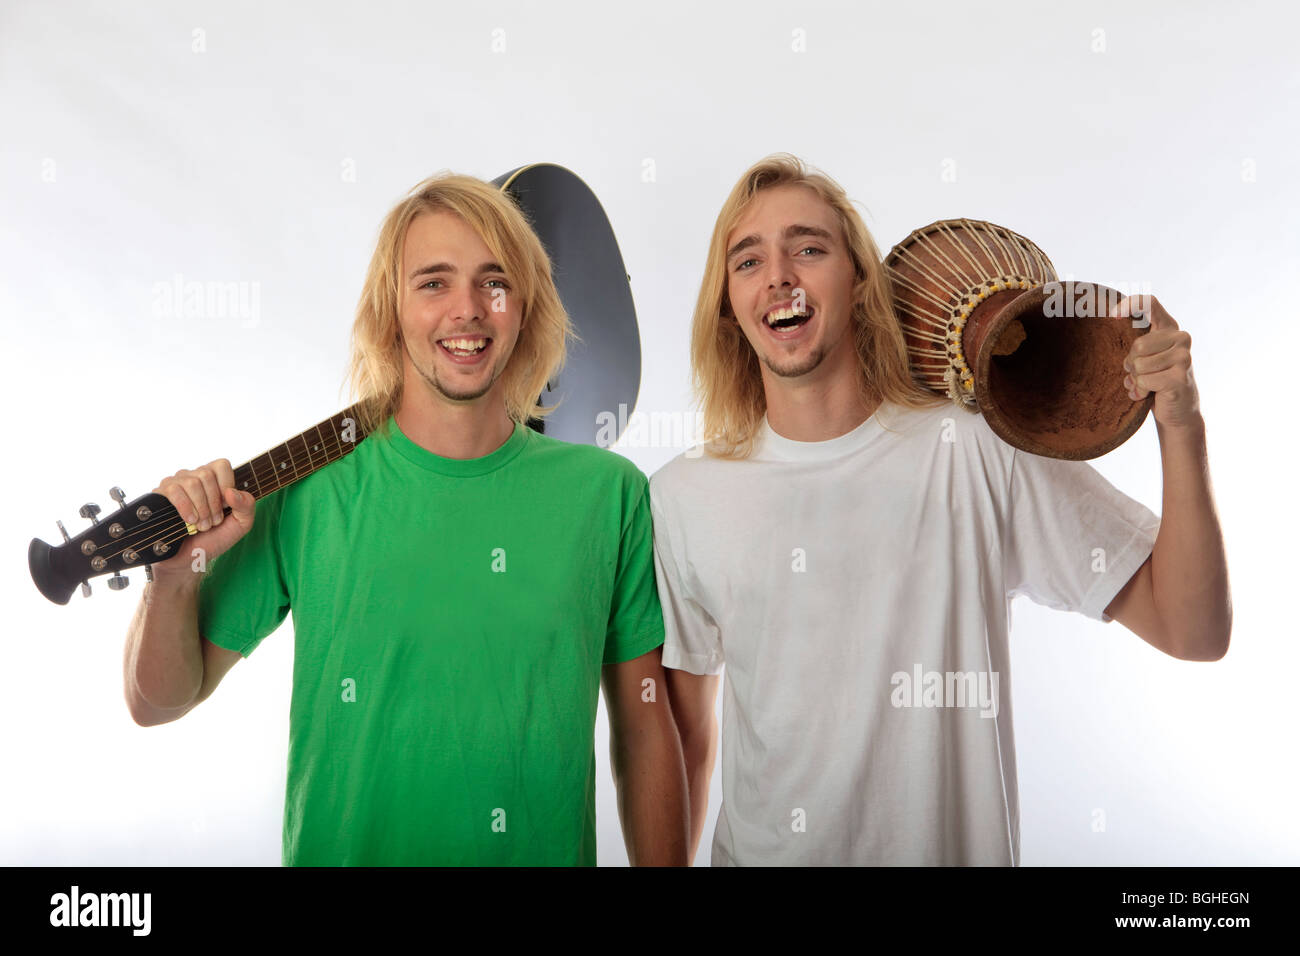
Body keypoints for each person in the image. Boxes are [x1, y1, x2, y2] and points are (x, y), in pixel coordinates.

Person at [652, 153, 1231, 866]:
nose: (779, 275)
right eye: (748, 261)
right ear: (728, 303)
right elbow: (683, 736)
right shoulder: (684, 495)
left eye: (808, 248)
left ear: (861, 282)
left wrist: (1181, 425)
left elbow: (1194, 629)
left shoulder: (980, 448)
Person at [123, 171, 688, 866]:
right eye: (433, 283)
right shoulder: (308, 491)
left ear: (527, 303)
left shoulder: (608, 495)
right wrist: (173, 578)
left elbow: (643, 722)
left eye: (494, 281)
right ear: (390, 311)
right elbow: (157, 703)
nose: (468, 309)